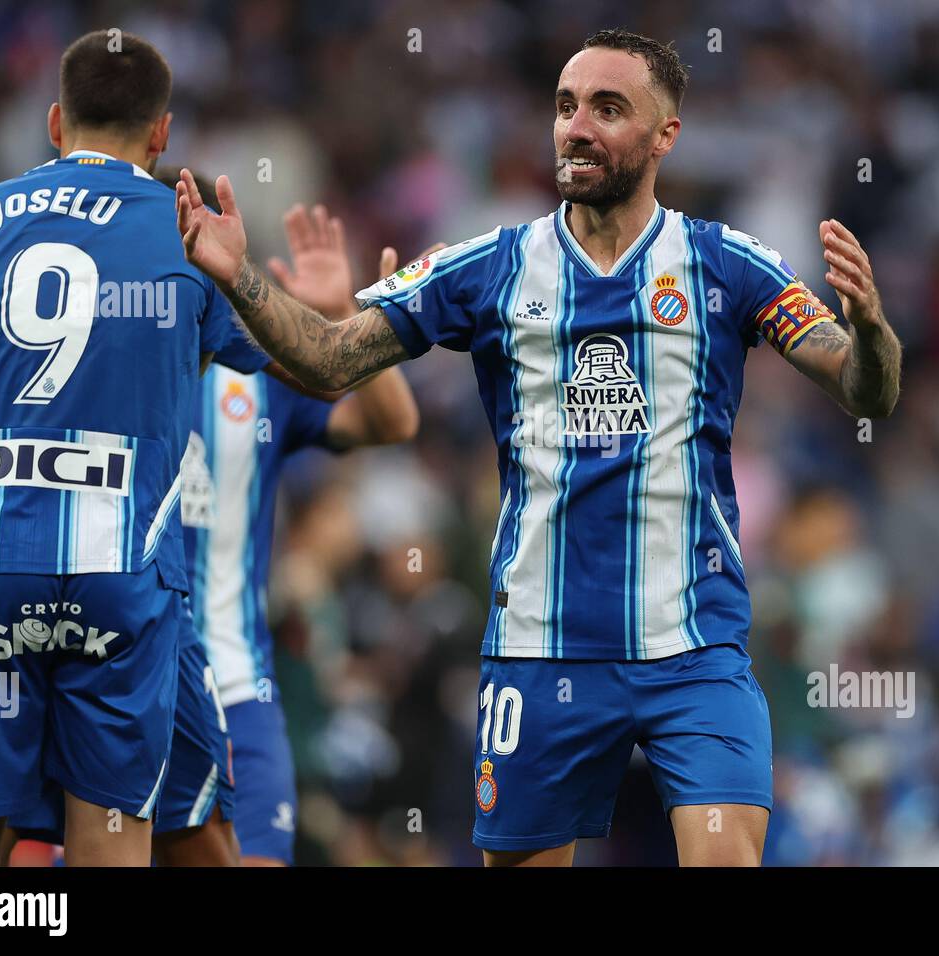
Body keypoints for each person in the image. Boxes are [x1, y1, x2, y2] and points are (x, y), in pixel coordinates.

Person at [176, 28, 902, 867]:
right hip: (539, 652)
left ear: (666, 134)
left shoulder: (726, 264)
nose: (576, 127)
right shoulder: (488, 266)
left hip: (694, 648)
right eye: (565, 106)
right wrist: (236, 274)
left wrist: (874, 333)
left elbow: (864, 389)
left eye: (606, 108)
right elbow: (328, 358)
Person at [0, 30, 272, 866]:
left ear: (52, 121)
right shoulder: (189, 236)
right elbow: (309, 363)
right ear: (161, 134)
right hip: (123, 577)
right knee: (120, 837)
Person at [183, 205, 421, 865]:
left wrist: (338, 325)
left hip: (237, 687)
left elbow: (392, 423)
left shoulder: (258, 374)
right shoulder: (104, 367)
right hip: (121, 685)